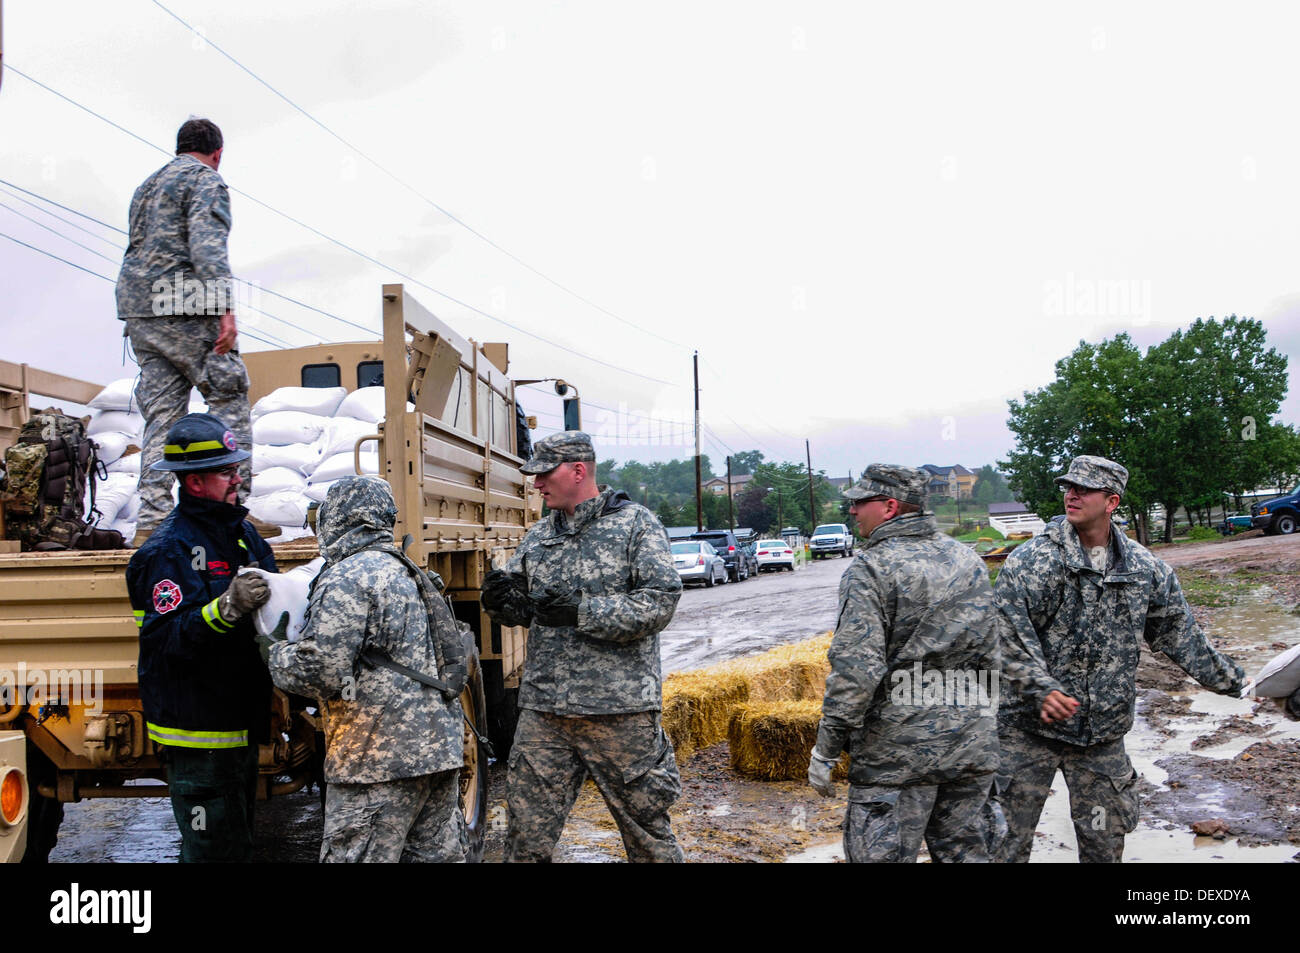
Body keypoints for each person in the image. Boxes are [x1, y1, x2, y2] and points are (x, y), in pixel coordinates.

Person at [994, 455, 1246, 862]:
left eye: (1084, 489)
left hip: (1100, 738)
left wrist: (1239, 683)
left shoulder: (1144, 569)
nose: (1071, 495)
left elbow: (1181, 636)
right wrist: (1040, 687)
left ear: (1111, 502)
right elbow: (1004, 634)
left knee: (1103, 848)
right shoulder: (1033, 562)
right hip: (1026, 732)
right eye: (1068, 487)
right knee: (1003, 846)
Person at [481, 431, 684, 863]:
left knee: (648, 837)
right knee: (523, 839)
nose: (535, 484)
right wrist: (501, 603)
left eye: (543, 474)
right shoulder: (538, 536)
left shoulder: (636, 525)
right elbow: (521, 607)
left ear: (577, 470)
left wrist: (583, 611)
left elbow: (660, 601)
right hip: (545, 713)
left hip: (619, 712)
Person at [266, 476, 469, 863]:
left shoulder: (348, 577)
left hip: (378, 762)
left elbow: (320, 672)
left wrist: (275, 654)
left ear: (339, 517)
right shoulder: (409, 570)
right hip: (437, 751)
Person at [808, 464, 1001, 863]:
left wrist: (826, 749)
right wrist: (984, 727)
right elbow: (992, 656)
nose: (853, 511)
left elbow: (856, 669)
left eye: (860, 502)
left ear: (890, 506)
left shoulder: (870, 568)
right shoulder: (967, 561)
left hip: (896, 758)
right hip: (970, 747)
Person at [126, 412, 275, 862]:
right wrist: (226, 606)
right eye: (227, 471)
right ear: (193, 483)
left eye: (237, 468)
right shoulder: (167, 551)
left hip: (236, 723)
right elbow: (168, 638)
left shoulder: (241, 533)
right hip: (197, 734)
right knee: (210, 852)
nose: (237, 479)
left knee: (238, 847)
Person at [116, 117, 257, 546]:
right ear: (217, 154)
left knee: (161, 413)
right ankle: (234, 511)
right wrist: (225, 311)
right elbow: (206, 246)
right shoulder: (206, 181)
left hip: (139, 308)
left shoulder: (147, 186)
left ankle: (153, 520)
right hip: (183, 301)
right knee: (228, 392)